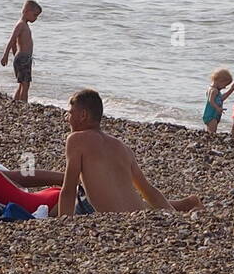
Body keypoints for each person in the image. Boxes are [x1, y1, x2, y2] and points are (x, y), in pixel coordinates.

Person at [58, 89, 201, 214]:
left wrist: (62, 225)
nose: (67, 119)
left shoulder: (76, 140)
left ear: (83, 115)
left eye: (70, 113)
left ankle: (184, 204)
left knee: (78, 201)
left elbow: (68, 190)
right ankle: (183, 204)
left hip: (109, 219)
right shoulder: (122, 147)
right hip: (137, 215)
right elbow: (148, 190)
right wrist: (172, 215)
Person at [1, 0, 41, 102]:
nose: (36, 18)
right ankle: (23, 104)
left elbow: (15, 44)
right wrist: (6, 55)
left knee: (22, 84)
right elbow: (12, 40)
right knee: (25, 84)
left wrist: (15, 54)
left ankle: (16, 103)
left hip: (24, 58)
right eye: (35, 15)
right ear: (27, 11)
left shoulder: (25, 25)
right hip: (23, 58)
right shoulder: (21, 24)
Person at [203, 68, 231, 134]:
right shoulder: (214, 90)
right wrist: (217, 108)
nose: (224, 87)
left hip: (211, 114)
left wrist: (231, 90)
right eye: (225, 85)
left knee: (210, 130)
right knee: (212, 132)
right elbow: (211, 100)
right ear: (220, 81)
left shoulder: (212, 89)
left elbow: (221, 99)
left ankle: (208, 138)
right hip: (211, 115)